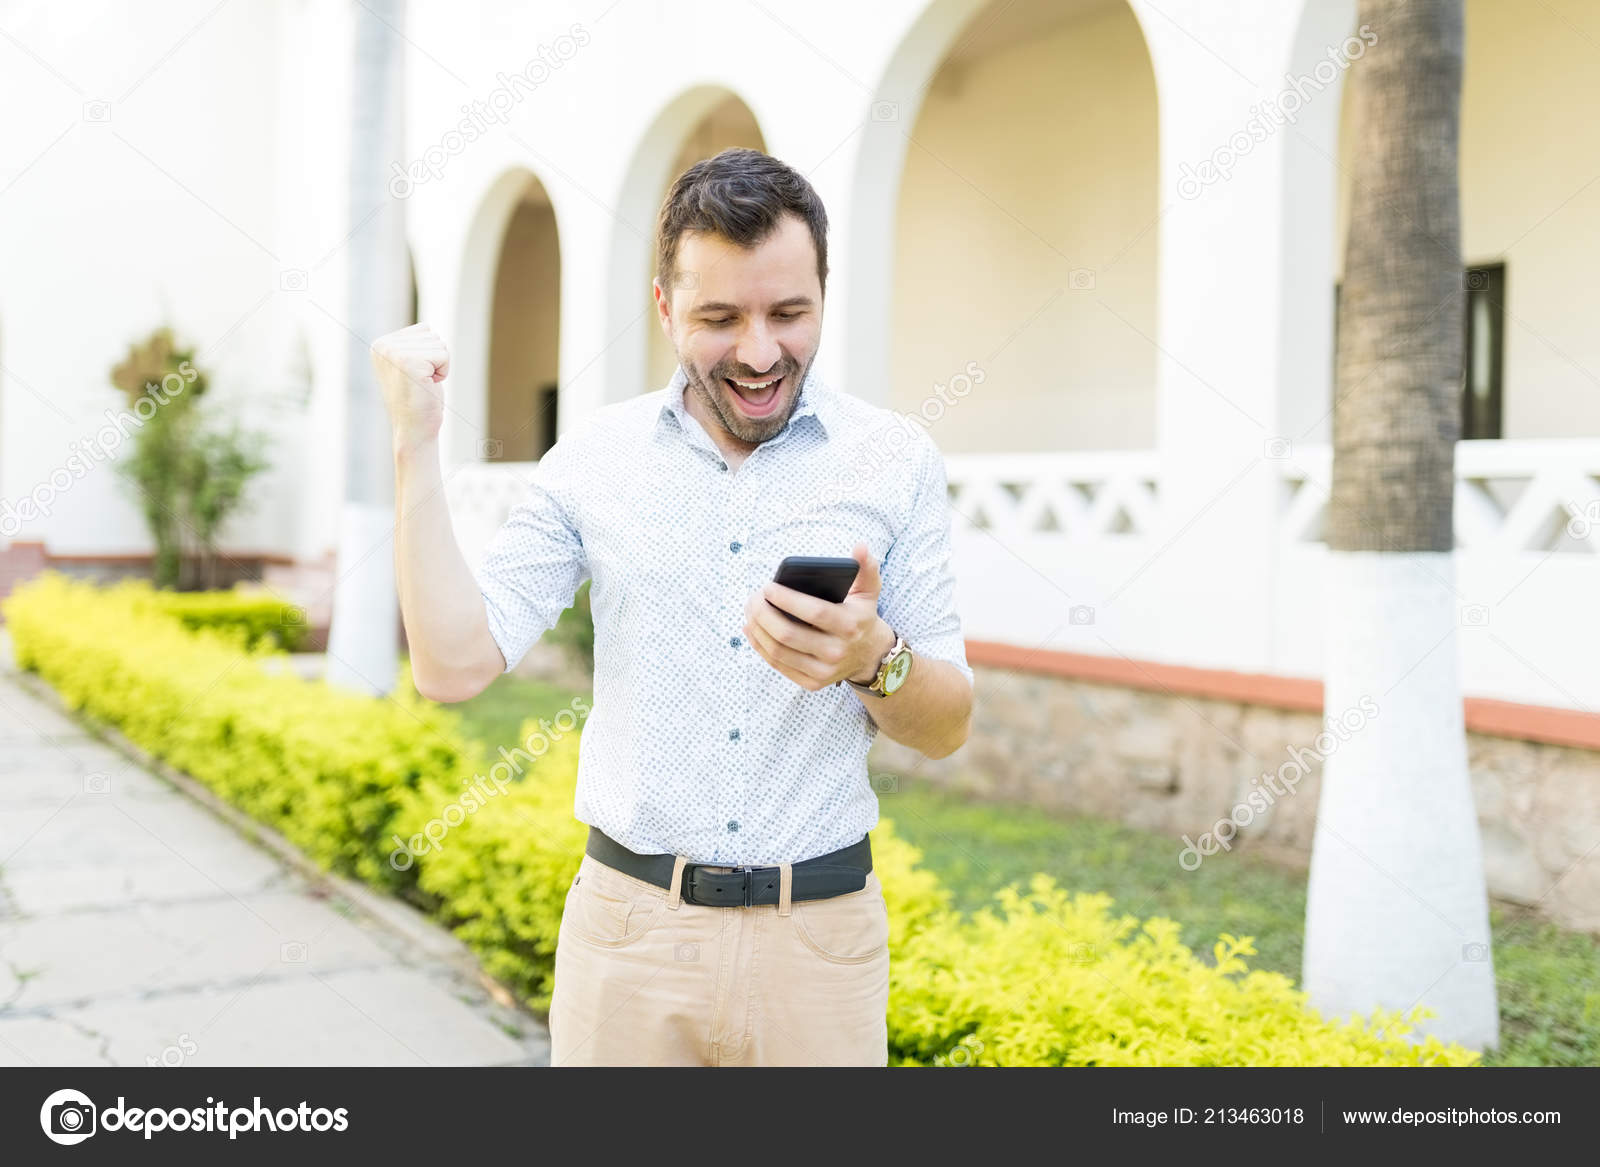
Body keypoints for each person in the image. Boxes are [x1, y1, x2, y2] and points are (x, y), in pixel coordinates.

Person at [370, 147, 974, 1066]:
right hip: (629, 943)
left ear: (824, 295)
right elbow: (452, 664)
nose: (760, 353)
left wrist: (873, 657)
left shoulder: (895, 459)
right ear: (663, 308)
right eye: (720, 318)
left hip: (820, 949)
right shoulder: (594, 458)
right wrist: (415, 444)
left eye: (789, 313)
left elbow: (947, 726)